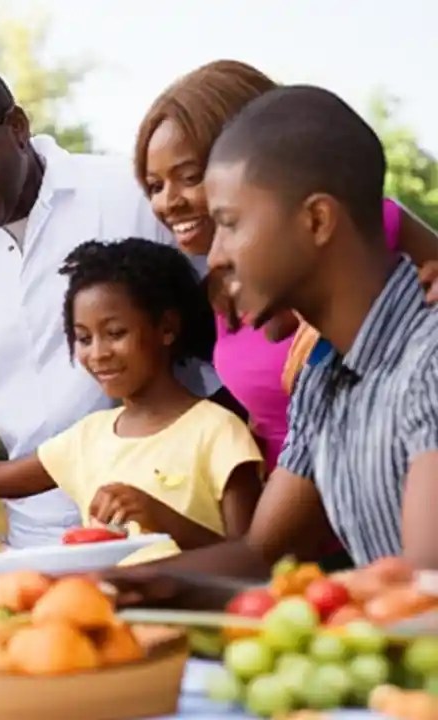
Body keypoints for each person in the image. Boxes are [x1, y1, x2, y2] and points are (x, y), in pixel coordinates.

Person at [116, 85, 438, 585]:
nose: (215, 257)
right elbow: (261, 554)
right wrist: (95, 590)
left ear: (316, 220)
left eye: (229, 223)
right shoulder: (322, 378)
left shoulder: (429, 359)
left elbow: (422, 595)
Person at [0, 61, 228, 549]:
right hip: (33, 536)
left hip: (158, 518)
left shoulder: (127, 193)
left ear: (17, 127)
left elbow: (215, 332)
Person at [0, 238, 264, 562]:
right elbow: (2, 479)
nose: (97, 353)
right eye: (83, 338)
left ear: (167, 328)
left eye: (115, 333)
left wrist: (161, 519)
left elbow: (250, 558)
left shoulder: (217, 430)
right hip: (111, 636)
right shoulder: (91, 435)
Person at [136, 59, 438, 474]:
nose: (169, 201)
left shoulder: (355, 228)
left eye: (190, 177)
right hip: (289, 511)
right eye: (155, 186)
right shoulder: (216, 291)